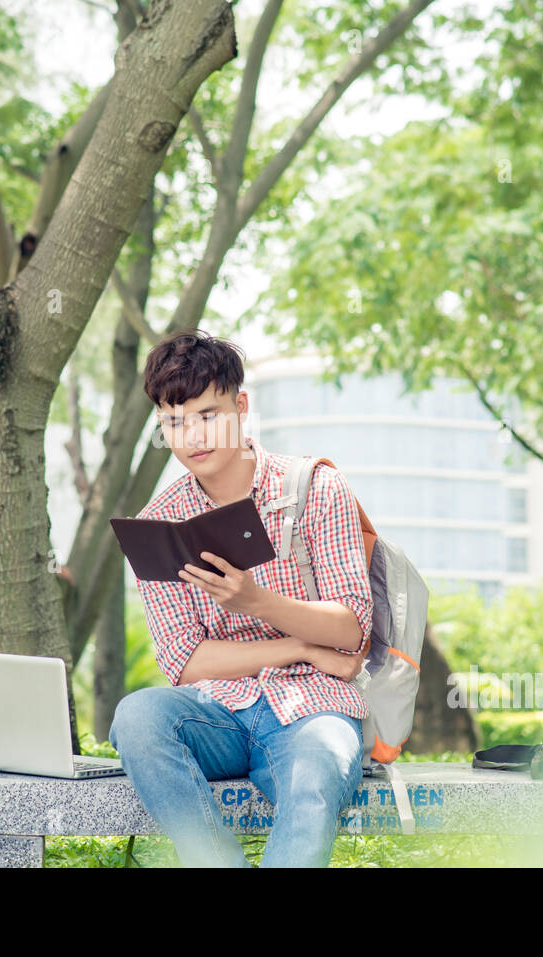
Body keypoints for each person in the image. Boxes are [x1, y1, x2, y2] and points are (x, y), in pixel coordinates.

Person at [108, 330, 374, 867]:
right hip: (216, 714)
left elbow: (350, 630)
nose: (192, 436)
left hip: (315, 709)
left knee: (316, 766)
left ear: (241, 405)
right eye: (174, 423)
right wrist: (298, 647)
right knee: (137, 716)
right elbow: (184, 662)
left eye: (207, 415)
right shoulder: (158, 524)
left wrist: (256, 601)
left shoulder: (315, 489)